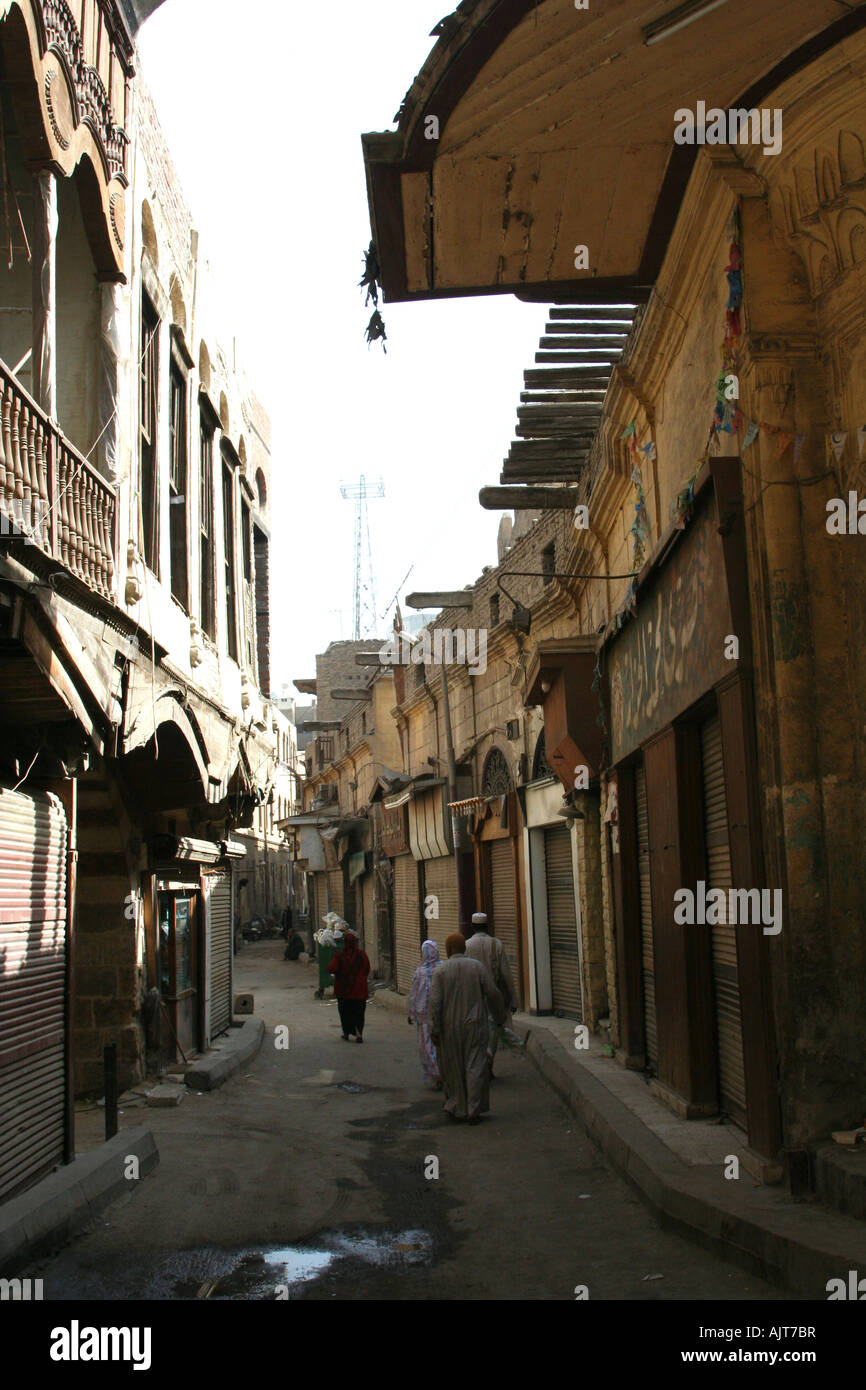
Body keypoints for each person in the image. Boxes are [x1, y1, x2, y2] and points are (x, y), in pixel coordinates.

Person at [429, 933, 504, 1125]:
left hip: (449, 1027)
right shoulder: (476, 967)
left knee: (453, 1067)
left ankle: (457, 1106)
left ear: (448, 949)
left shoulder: (441, 971)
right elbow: (493, 993)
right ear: (463, 948)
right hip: (475, 1024)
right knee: (475, 1065)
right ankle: (473, 1109)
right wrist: (498, 1017)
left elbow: (435, 1003)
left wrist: (434, 1029)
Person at [465, 911, 519, 1078]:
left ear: (473, 927)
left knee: (476, 1031)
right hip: (494, 995)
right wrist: (513, 998)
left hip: (474, 996)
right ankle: (488, 1061)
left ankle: (480, 1063)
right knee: (493, 1029)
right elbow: (506, 974)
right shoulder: (496, 945)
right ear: (487, 926)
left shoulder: (466, 945)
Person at [407, 940, 442, 1090]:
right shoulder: (443, 968)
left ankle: (436, 1075)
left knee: (426, 1047)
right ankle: (443, 1075)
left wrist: (411, 1013)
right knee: (442, 1046)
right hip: (441, 1015)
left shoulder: (420, 972)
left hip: (424, 1016)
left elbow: (414, 995)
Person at [328, 929, 370, 1043]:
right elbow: (367, 968)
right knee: (359, 1013)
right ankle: (359, 1034)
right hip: (360, 990)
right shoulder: (362, 954)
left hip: (344, 990)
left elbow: (331, 968)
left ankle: (346, 1033)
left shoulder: (340, 956)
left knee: (345, 1012)